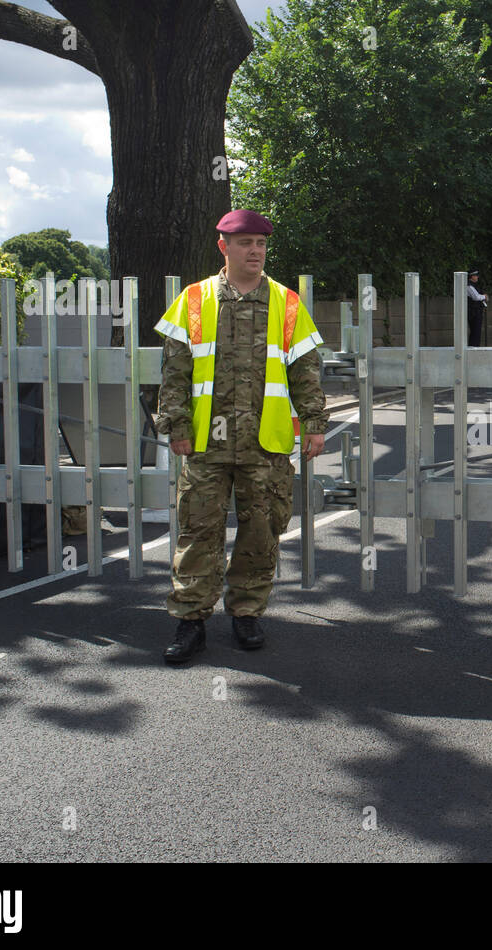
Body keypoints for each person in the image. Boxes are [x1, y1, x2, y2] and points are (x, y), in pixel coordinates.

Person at [154, 209, 328, 664]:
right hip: (205, 444)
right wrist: (176, 425)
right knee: (198, 532)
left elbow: (305, 373)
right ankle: (191, 620)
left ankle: (247, 613)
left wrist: (314, 424)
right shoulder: (194, 299)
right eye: (246, 243)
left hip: (264, 444)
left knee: (261, 532)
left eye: (261, 244)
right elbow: (174, 373)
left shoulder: (287, 302)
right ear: (224, 247)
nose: (255, 251)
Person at [467, 268, 488, 346]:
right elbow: (476, 297)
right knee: (475, 332)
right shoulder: (469, 286)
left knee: (477, 332)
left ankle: (475, 347)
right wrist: (484, 296)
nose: (477, 277)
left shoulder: (474, 285)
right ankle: (473, 347)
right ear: (471, 276)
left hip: (477, 312)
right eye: (475, 275)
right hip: (473, 313)